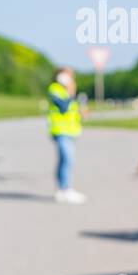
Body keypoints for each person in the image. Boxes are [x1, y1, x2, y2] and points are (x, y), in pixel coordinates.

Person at [47, 68, 87, 204]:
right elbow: (63, 106)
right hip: (60, 130)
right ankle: (65, 189)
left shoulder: (66, 90)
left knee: (63, 160)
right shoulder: (55, 89)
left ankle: (61, 190)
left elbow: (72, 110)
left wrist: (81, 114)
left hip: (70, 131)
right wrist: (70, 91)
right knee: (68, 159)